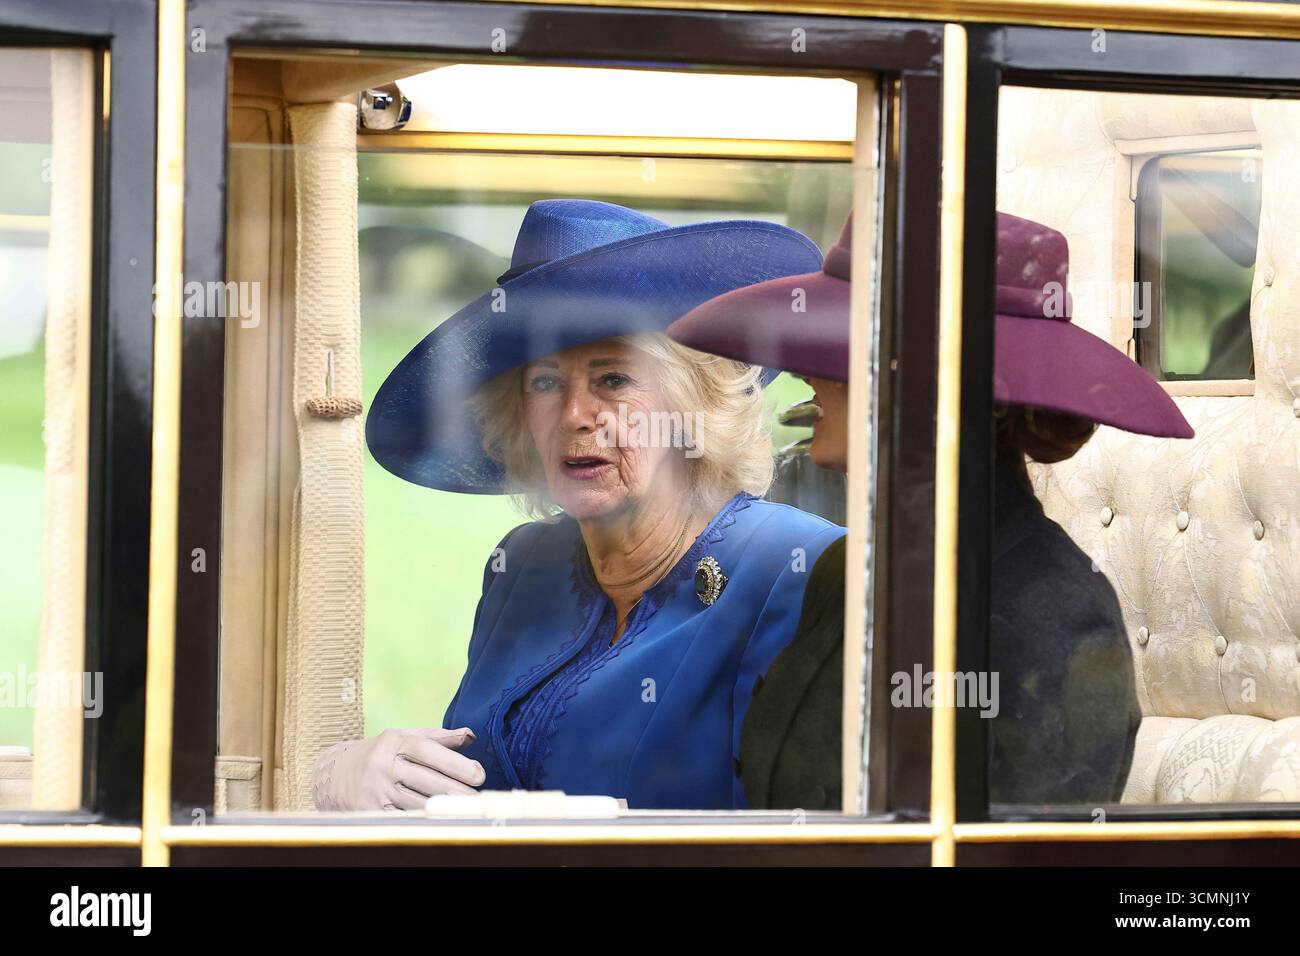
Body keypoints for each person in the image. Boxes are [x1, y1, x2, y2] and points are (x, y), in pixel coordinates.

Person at [310, 199, 845, 812]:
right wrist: (361, 775)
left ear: (692, 402)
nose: (572, 416)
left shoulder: (802, 569)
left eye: (612, 379)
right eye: (543, 383)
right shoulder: (526, 564)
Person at [667, 211, 1194, 808]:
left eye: (843, 348)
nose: (806, 370)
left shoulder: (1052, 607)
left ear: (929, 388)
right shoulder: (850, 569)